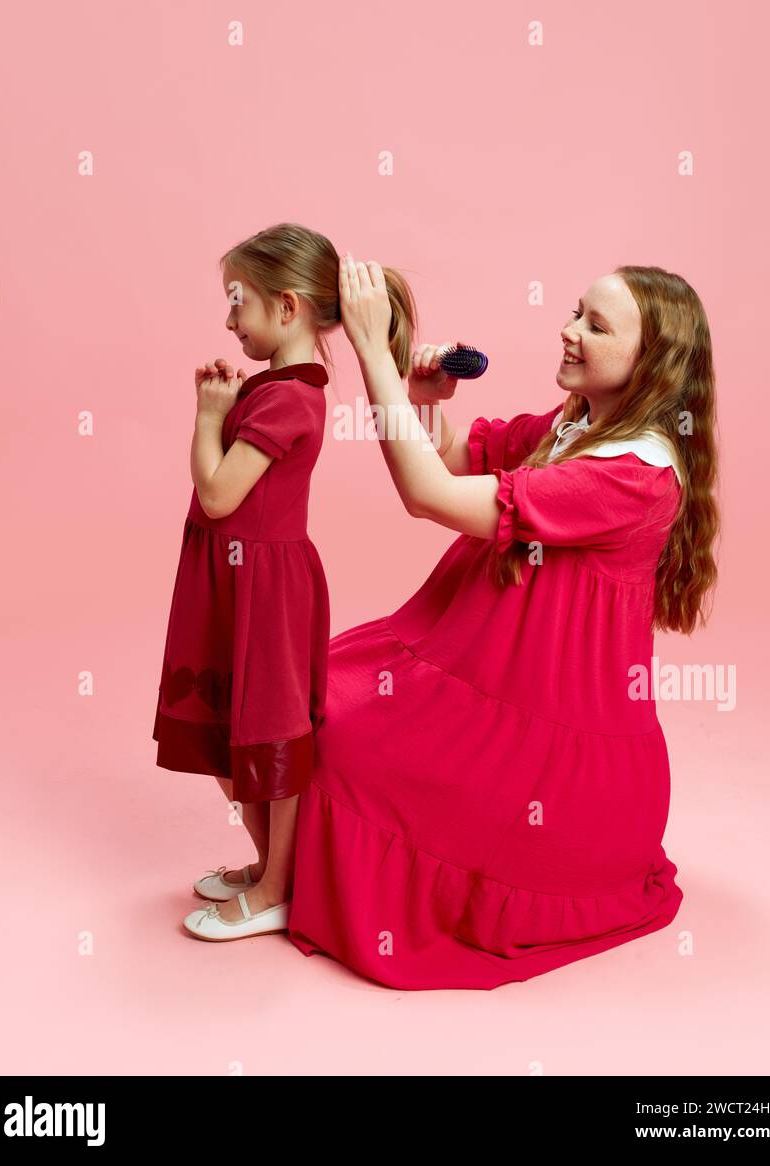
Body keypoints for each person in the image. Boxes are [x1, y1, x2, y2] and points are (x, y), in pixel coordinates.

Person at [286, 255, 719, 989]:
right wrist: (423, 399)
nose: (569, 330)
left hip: (558, 763)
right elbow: (454, 460)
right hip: (490, 684)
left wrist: (370, 353)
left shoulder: (631, 476)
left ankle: (282, 889)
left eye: (595, 324)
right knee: (309, 694)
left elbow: (426, 494)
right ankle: (280, 884)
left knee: (334, 730)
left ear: (650, 363)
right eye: (576, 312)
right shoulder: (579, 425)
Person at [150, 223, 416, 940]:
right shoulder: (274, 387)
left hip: (261, 591)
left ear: (289, 308)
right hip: (230, 582)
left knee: (270, 734)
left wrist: (207, 417)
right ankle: (274, 865)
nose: (229, 318)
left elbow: (218, 496)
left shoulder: (291, 399)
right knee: (226, 727)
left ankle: (275, 890)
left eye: (239, 301)